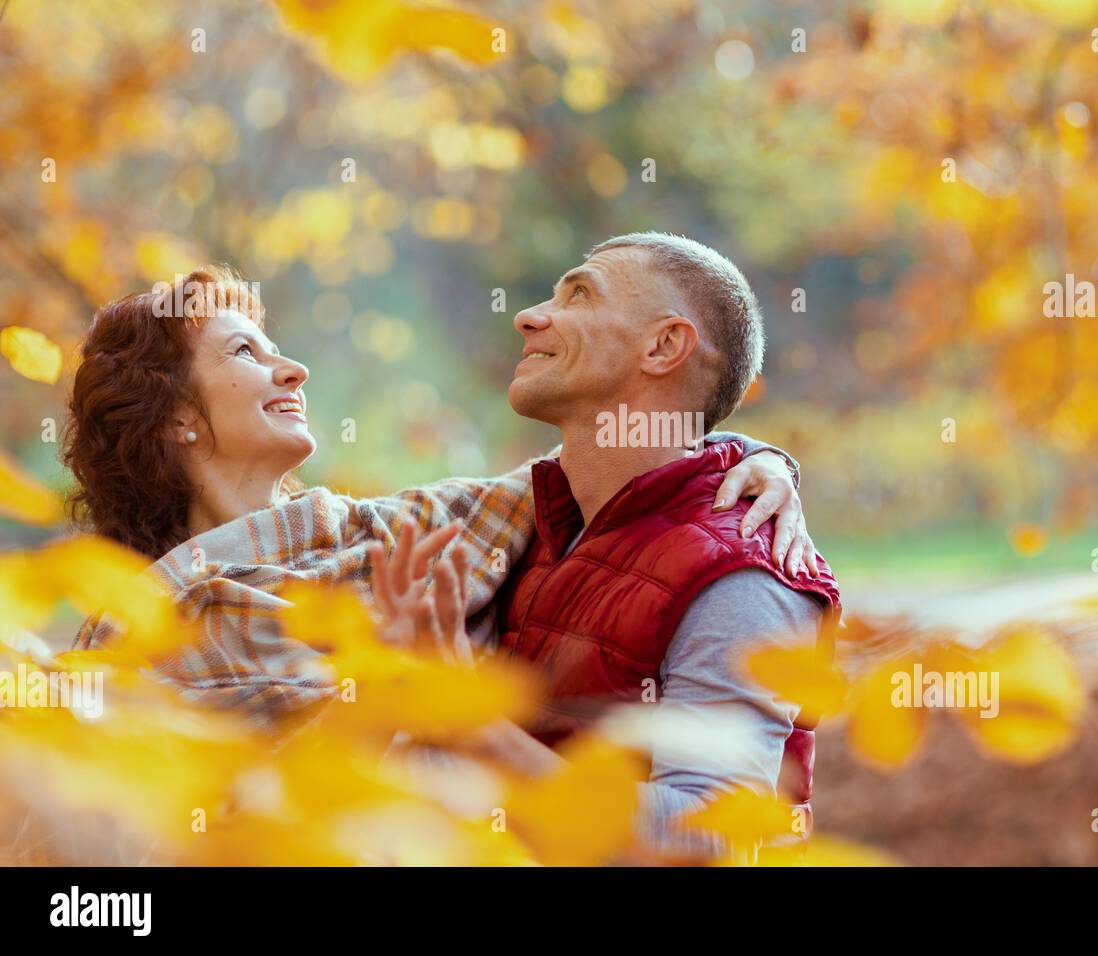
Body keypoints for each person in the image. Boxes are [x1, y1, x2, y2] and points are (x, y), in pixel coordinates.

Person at [66, 266, 814, 735]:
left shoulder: (385, 537)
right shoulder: (136, 639)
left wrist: (751, 456)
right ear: (177, 418)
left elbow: (604, 462)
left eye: (276, 347)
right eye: (244, 353)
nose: (293, 369)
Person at [496, 232, 841, 861]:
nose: (529, 316)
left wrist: (475, 738)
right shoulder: (523, 520)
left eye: (578, 294)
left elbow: (706, 833)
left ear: (663, 346)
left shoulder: (741, 574)